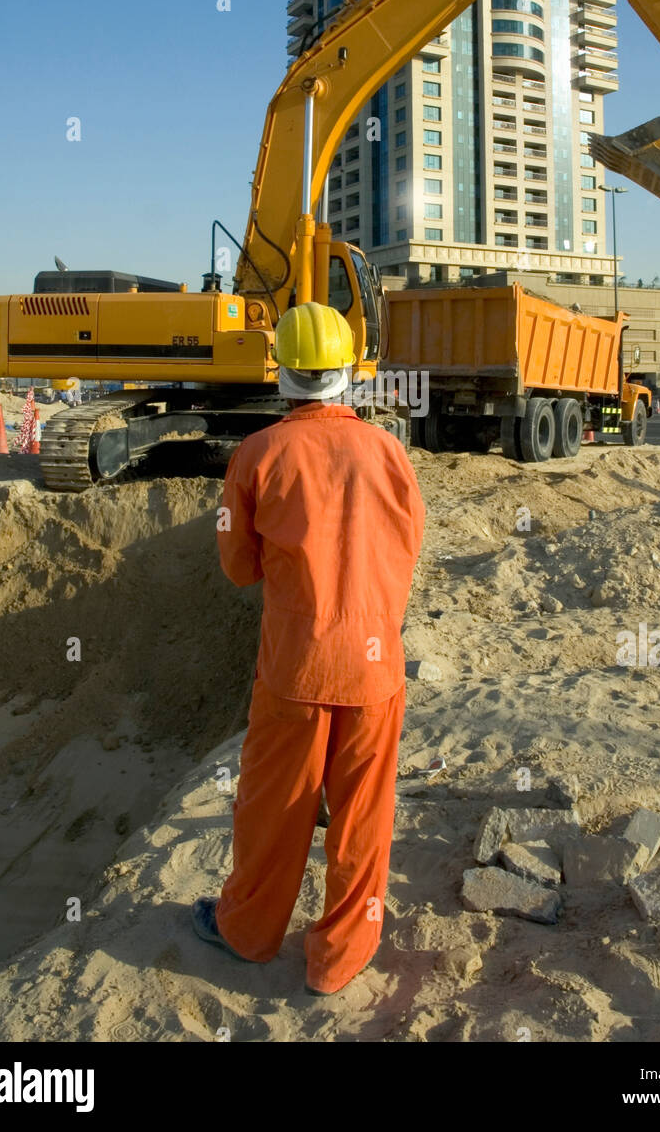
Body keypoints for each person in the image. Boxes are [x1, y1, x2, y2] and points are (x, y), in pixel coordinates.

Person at [192, 301, 425, 995]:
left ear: (284, 370)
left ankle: (249, 931)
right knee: (363, 817)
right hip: (377, 667)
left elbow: (238, 565)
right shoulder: (389, 451)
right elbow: (407, 543)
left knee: (273, 807)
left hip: (296, 667)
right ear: (350, 370)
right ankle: (340, 959)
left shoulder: (257, 454)